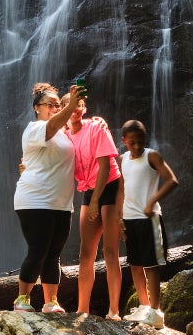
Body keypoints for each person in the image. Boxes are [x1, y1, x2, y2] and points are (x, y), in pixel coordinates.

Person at [13, 81, 84, 313]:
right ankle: (22, 300)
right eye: (49, 105)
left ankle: (51, 302)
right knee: (38, 249)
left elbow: (79, 133)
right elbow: (53, 126)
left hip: (61, 203)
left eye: (57, 105)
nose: (54, 108)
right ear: (37, 107)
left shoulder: (64, 134)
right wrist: (70, 106)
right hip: (35, 200)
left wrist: (97, 122)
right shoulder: (35, 128)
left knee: (53, 254)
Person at [66, 92, 124, 318]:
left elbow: (106, 166)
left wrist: (95, 201)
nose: (75, 109)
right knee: (85, 254)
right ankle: (82, 310)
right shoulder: (64, 135)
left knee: (110, 251)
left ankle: (114, 311)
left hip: (108, 185)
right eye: (70, 105)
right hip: (89, 190)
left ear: (84, 108)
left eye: (79, 104)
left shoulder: (96, 127)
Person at [118, 119, 179, 329]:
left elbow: (172, 180)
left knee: (151, 265)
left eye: (140, 141)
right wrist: (119, 219)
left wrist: (152, 201)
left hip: (148, 219)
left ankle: (156, 311)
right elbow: (121, 190)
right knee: (135, 264)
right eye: (132, 142)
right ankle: (143, 306)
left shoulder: (151, 156)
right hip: (129, 219)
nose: (137, 146)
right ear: (124, 141)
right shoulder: (122, 160)